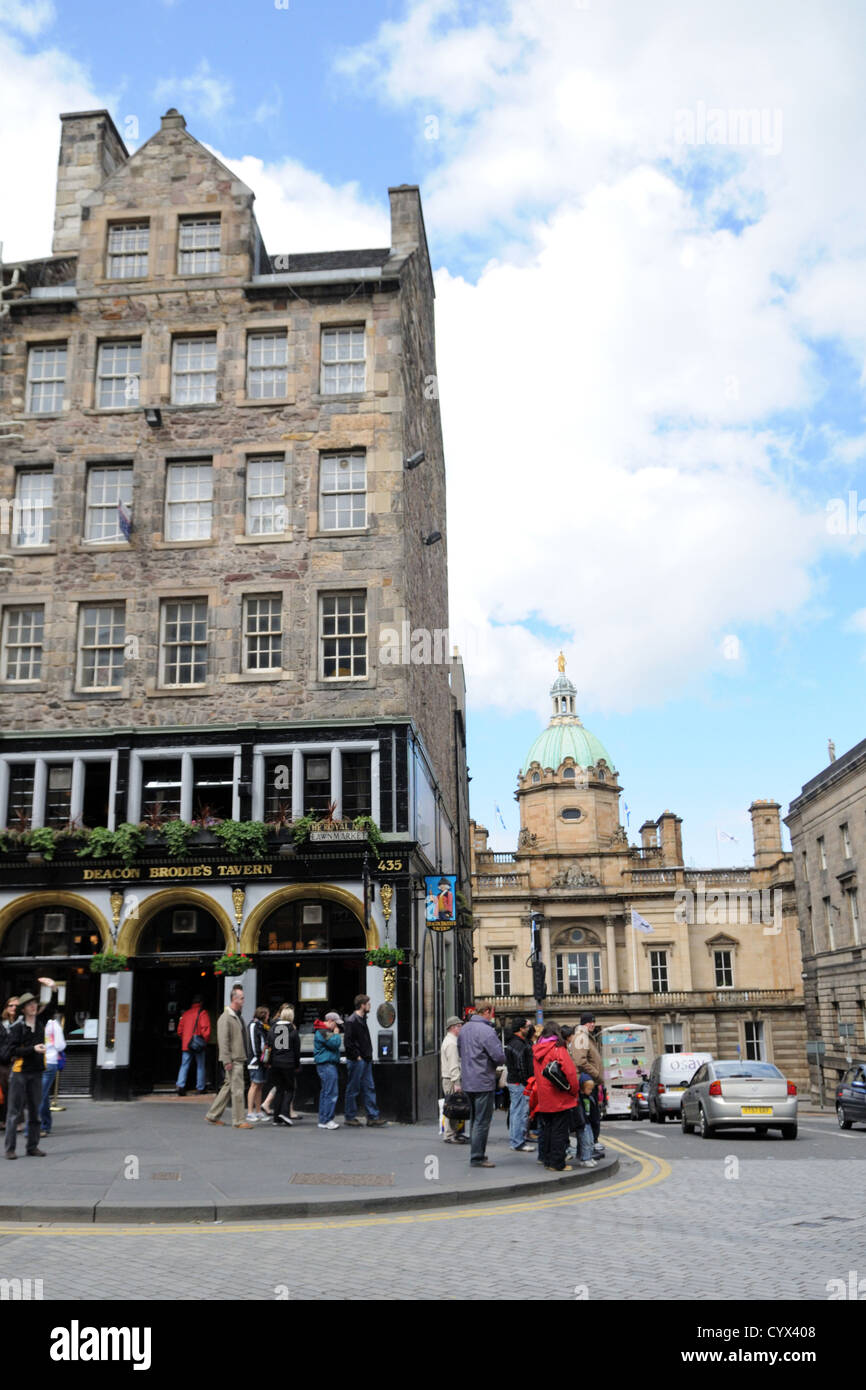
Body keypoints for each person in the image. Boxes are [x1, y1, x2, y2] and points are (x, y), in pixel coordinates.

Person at [4, 979, 58, 1159]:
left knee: (35, 1111)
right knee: (14, 1112)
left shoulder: (41, 1023)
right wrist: (31, 1049)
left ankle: (32, 1146)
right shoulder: (18, 1028)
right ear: (23, 1009)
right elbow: (9, 1051)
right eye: (29, 1005)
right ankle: (10, 1149)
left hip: (36, 1072)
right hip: (20, 1072)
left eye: (35, 1003)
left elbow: (52, 1008)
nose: (33, 1006)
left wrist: (53, 988)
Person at [457, 1000, 505, 1168]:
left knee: (474, 1119)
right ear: (486, 1012)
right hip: (483, 1080)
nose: (492, 1016)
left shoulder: (464, 1029)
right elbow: (499, 1056)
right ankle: (477, 1157)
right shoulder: (487, 1031)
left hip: (468, 1080)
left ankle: (475, 1153)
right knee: (482, 1121)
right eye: (491, 1012)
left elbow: (460, 1051)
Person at [533, 1020, 579, 1172]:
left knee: (547, 1131)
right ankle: (557, 1163)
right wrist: (574, 1090)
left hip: (544, 1097)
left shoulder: (537, 1050)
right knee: (559, 1131)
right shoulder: (557, 1049)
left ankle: (547, 1160)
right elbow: (570, 1073)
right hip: (559, 1097)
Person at [206, 985, 251, 1129]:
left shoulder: (237, 1016)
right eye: (242, 998)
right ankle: (238, 1120)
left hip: (238, 1056)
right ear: (234, 999)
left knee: (228, 1086)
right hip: (234, 1058)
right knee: (237, 1089)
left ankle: (213, 1115)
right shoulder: (226, 1018)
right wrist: (226, 1060)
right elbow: (223, 1040)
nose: (244, 1000)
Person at [343, 994, 387, 1127]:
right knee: (353, 1088)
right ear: (362, 1005)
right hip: (358, 1060)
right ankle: (350, 1117)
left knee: (369, 1088)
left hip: (365, 1059)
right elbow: (348, 1042)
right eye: (368, 1004)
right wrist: (358, 1057)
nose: (370, 1006)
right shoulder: (352, 1021)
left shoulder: (361, 1019)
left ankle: (372, 1117)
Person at [569, 1012, 605, 1155]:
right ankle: (587, 1149)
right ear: (584, 1023)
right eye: (590, 1022)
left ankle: (590, 1147)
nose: (593, 1024)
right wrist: (595, 1074)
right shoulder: (582, 1037)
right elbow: (580, 1061)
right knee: (589, 1117)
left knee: (593, 1116)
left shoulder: (587, 1037)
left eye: (594, 1022)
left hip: (591, 1083)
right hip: (587, 1084)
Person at [267, 1004, 301, 1127]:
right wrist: (297, 1064)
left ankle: (276, 1117)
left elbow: (269, 1046)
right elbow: (296, 1050)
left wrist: (269, 1062)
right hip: (288, 1063)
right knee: (290, 1089)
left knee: (279, 1089)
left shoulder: (272, 1029)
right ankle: (285, 1113)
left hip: (275, 1063)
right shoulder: (293, 1030)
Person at [505, 1018, 535, 1151]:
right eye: (527, 1027)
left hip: (515, 1082)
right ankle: (518, 1142)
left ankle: (515, 1140)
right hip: (520, 1083)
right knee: (519, 1112)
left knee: (515, 1112)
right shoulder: (519, 1044)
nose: (529, 1029)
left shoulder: (513, 1043)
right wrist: (527, 1081)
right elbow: (521, 1066)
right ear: (521, 1029)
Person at [440, 1015, 467, 1144]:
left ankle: (454, 1133)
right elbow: (453, 1065)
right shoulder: (451, 1043)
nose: (461, 1028)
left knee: (453, 1106)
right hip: (451, 1080)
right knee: (453, 1107)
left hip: (449, 1078)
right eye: (458, 1026)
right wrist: (457, 1082)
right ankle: (450, 1135)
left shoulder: (450, 1040)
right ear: (452, 1028)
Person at [176, 995, 210, 1096]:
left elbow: (179, 1031)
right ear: (201, 1003)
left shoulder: (185, 1014)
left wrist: (185, 1038)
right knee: (200, 1065)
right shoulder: (202, 1013)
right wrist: (205, 1041)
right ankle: (200, 1087)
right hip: (198, 1044)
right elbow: (206, 1030)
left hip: (186, 1044)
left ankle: (181, 1085)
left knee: (184, 1065)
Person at [314, 1012, 343, 1129]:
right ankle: (327, 1120)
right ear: (330, 1021)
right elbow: (335, 1044)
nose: (337, 1027)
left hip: (325, 1065)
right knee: (331, 1092)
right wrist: (336, 1035)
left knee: (326, 1092)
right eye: (336, 1024)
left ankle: (323, 1119)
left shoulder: (322, 1031)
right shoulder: (323, 1032)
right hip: (327, 1065)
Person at [39, 1012, 66, 1137]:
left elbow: (60, 1046)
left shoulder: (50, 1025)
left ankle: (40, 1126)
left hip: (47, 1063)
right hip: (45, 1062)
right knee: (42, 1095)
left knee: (40, 1094)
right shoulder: (54, 1025)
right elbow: (60, 1045)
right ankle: (45, 1123)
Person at [246, 1005, 271, 1122]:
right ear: (263, 1015)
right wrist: (259, 1058)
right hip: (255, 1060)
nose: (268, 1017)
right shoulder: (253, 1026)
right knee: (254, 1085)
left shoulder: (262, 1026)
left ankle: (258, 1111)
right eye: (267, 1015)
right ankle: (250, 1112)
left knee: (259, 1085)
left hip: (261, 1060)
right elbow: (253, 1044)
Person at [0, 997, 19, 1132]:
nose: (13, 1008)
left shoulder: (21, 1023)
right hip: (2, 1061)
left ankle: (16, 1121)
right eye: (10, 1005)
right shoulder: (2, 1023)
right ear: (6, 1007)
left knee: (16, 1093)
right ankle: (3, 1120)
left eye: (16, 1006)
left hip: (16, 1061)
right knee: (3, 1092)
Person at [575, 1074, 598, 1167]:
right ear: (582, 1088)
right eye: (589, 1089)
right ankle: (585, 1159)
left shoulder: (590, 1097)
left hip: (588, 1122)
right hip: (582, 1123)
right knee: (585, 1141)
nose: (591, 1091)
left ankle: (588, 1156)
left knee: (590, 1140)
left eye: (591, 1089)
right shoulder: (579, 1098)